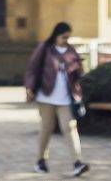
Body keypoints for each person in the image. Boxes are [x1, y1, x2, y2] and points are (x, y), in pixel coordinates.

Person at [23, 21, 89, 176]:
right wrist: (30, 88)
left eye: (68, 37)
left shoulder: (71, 51)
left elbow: (78, 72)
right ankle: (40, 161)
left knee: (70, 128)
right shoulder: (44, 49)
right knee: (47, 129)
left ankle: (77, 162)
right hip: (46, 96)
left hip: (65, 98)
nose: (66, 40)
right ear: (56, 35)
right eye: (63, 37)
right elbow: (32, 69)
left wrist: (78, 70)